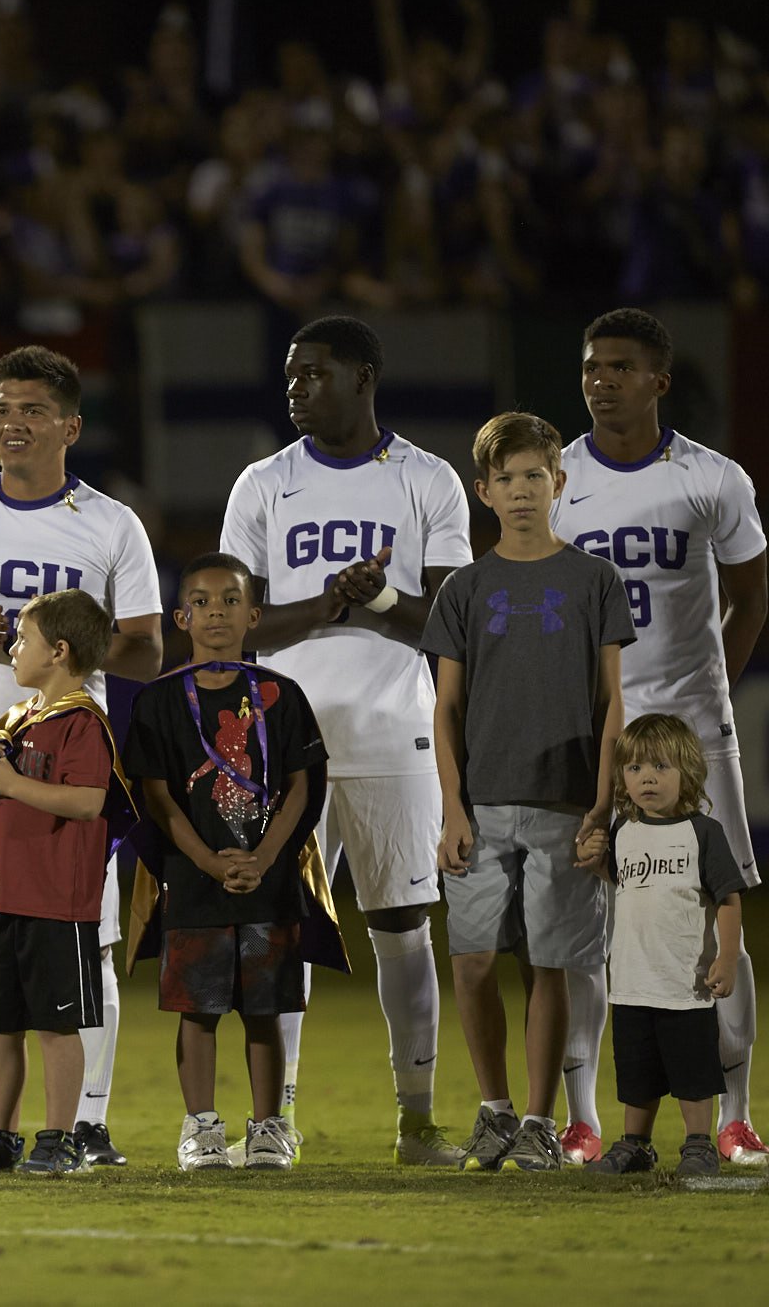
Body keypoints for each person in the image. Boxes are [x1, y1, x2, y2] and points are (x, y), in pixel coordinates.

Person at [0, 345, 162, 1170]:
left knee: (85, 943)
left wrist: (72, 646)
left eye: (33, 410)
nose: (13, 424)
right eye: (2, 409)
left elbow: (149, 650)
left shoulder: (112, 523)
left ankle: (88, 1126)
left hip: (67, 756)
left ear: (70, 427)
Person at [217, 315, 471, 1164]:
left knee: (402, 924)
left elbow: (454, 624)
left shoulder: (427, 479)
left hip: (396, 732)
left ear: (364, 377)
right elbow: (236, 623)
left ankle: (417, 1121)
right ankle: (275, 1120)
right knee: (281, 926)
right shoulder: (264, 482)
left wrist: (382, 601)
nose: (295, 389)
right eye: (291, 375)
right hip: (287, 739)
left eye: (314, 374)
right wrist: (331, 600)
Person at [553, 307, 767, 1166]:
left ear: (660, 380)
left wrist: (709, 695)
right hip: (592, 729)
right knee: (585, 921)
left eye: (620, 366)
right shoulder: (557, 477)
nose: (602, 379)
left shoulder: (713, 477)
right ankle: (582, 1116)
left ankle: (737, 1113)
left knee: (714, 906)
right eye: (591, 365)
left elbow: (751, 596)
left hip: (692, 730)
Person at [423, 411, 634, 1174]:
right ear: (483, 490)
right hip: (481, 805)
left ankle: (542, 1120)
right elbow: (446, 708)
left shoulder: (595, 580)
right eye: (505, 478)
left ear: (558, 482)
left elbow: (612, 702)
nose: (520, 490)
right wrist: (452, 808)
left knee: (550, 963)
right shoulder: (464, 587)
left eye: (534, 476)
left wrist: (602, 808)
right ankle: (495, 1109)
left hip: (566, 804)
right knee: (473, 961)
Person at [125, 555, 327, 1171]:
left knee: (265, 1008)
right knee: (199, 1008)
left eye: (231, 601)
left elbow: (303, 784)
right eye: (202, 602)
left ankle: (268, 1129)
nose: (217, 612)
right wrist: (210, 863)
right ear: (181, 617)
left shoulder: (282, 694)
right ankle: (202, 1128)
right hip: (194, 881)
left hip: (268, 878)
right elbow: (156, 798)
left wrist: (264, 857)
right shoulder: (158, 700)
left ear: (254, 616)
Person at [0, 590, 120, 1176]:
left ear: (59, 651)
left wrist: (9, 783)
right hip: (9, 895)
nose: (12, 649)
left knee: (57, 1027)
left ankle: (60, 1137)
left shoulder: (83, 723)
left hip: (58, 902)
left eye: (23, 639)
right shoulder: (23, 718)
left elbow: (89, 802)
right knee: (1, 1026)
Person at [577, 715, 747, 1178]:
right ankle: (636, 1145)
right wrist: (594, 861)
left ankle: (698, 1143)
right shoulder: (623, 831)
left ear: (686, 771)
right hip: (631, 983)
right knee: (637, 1074)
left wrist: (726, 958)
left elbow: (728, 898)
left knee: (693, 1072)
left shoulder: (703, 832)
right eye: (634, 768)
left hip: (684, 985)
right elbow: (623, 880)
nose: (646, 778)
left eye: (660, 767)